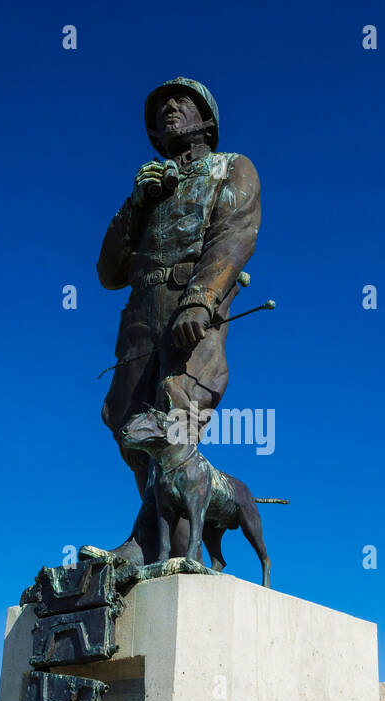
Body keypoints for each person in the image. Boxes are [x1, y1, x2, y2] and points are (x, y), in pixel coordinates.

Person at [85, 77, 261, 567]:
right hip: (141, 313)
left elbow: (235, 236)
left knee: (176, 415)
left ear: (207, 120)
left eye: (182, 102)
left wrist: (202, 299)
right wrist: (137, 202)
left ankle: (150, 544)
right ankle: (174, 540)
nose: (170, 110)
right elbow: (107, 273)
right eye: (161, 107)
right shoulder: (146, 189)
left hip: (192, 308)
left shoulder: (232, 168)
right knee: (128, 423)